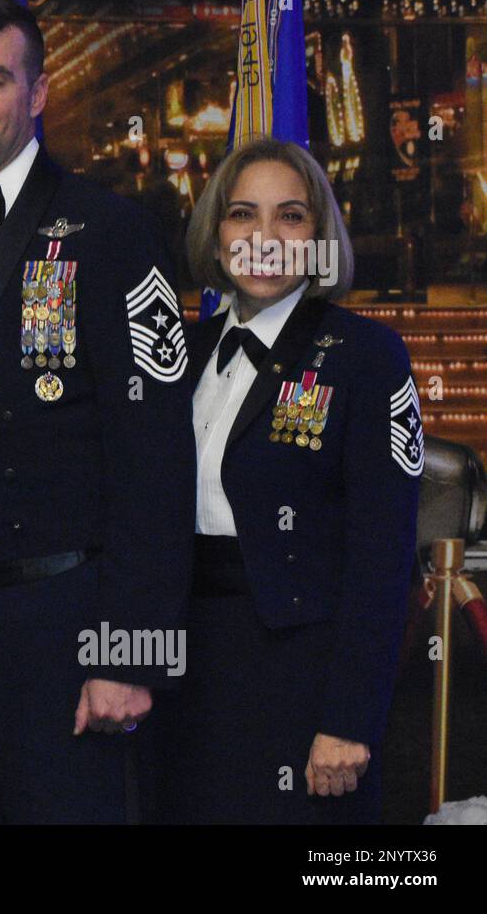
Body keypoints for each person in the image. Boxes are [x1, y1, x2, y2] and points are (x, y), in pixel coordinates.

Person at [0, 0, 195, 824]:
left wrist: (130, 650)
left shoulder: (111, 230)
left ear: (37, 94)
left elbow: (156, 451)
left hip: (62, 627)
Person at [153, 136, 421, 824]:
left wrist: (351, 720)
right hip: (185, 674)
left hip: (302, 682)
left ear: (320, 236)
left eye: (291, 216)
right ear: (216, 233)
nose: (264, 236)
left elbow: (383, 557)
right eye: (243, 214)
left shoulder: (366, 358)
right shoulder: (182, 353)